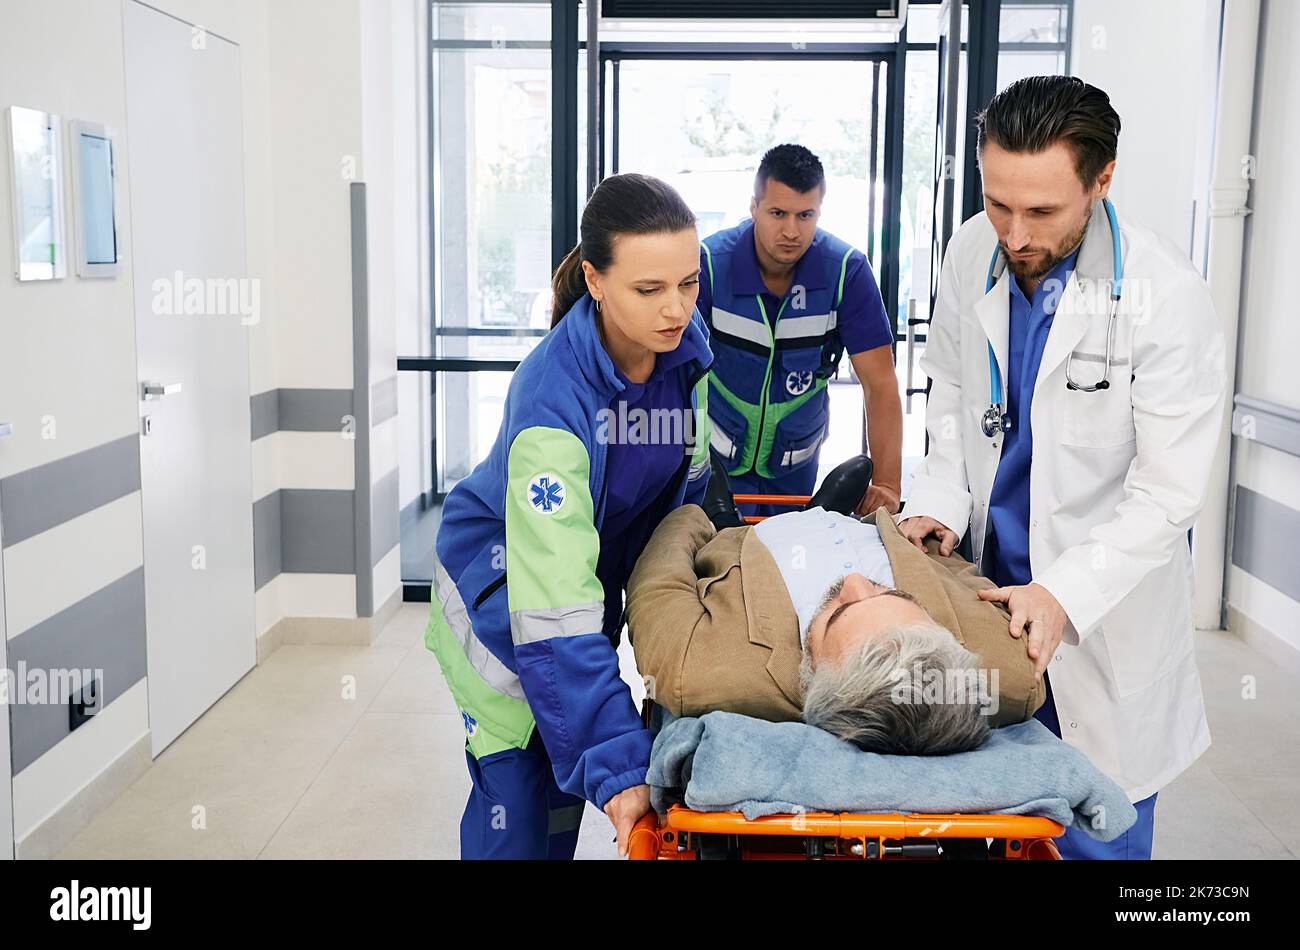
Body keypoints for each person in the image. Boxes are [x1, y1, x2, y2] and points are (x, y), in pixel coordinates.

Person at [899, 76, 1227, 859]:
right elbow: (949, 402)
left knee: (1090, 837)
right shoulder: (970, 253)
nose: (1013, 233)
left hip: (1096, 624)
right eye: (997, 202)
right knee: (970, 821)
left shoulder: (1166, 296)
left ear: (1102, 180)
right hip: (983, 607)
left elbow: (1168, 490)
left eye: (1041, 211)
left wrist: (1064, 591)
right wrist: (938, 500)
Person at [425, 173, 714, 859]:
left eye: (688, 283)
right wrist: (618, 762)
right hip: (500, 610)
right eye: (649, 289)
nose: (676, 309)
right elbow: (552, 615)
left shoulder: (683, 352)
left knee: (561, 802)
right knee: (522, 808)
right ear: (595, 279)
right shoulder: (553, 408)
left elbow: (685, 492)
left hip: (577, 591)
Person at [625, 463, 1046, 747]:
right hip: (863, 528)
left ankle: (727, 515)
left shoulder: (692, 670)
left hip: (747, 546)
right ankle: (825, 512)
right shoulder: (1010, 674)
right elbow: (957, 576)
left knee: (717, 510)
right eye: (892, 594)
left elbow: (658, 576)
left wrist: (695, 517)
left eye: (839, 612)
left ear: (813, 675)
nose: (857, 581)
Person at [697, 144, 902, 517]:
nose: (791, 230)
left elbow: (880, 384)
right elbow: (671, 376)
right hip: (715, 469)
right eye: (778, 213)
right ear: (754, 207)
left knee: (788, 568)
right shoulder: (708, 265)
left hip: (796, 472)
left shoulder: (847, 273)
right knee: (717, 564)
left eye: (805, 215)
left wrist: (888, 485)